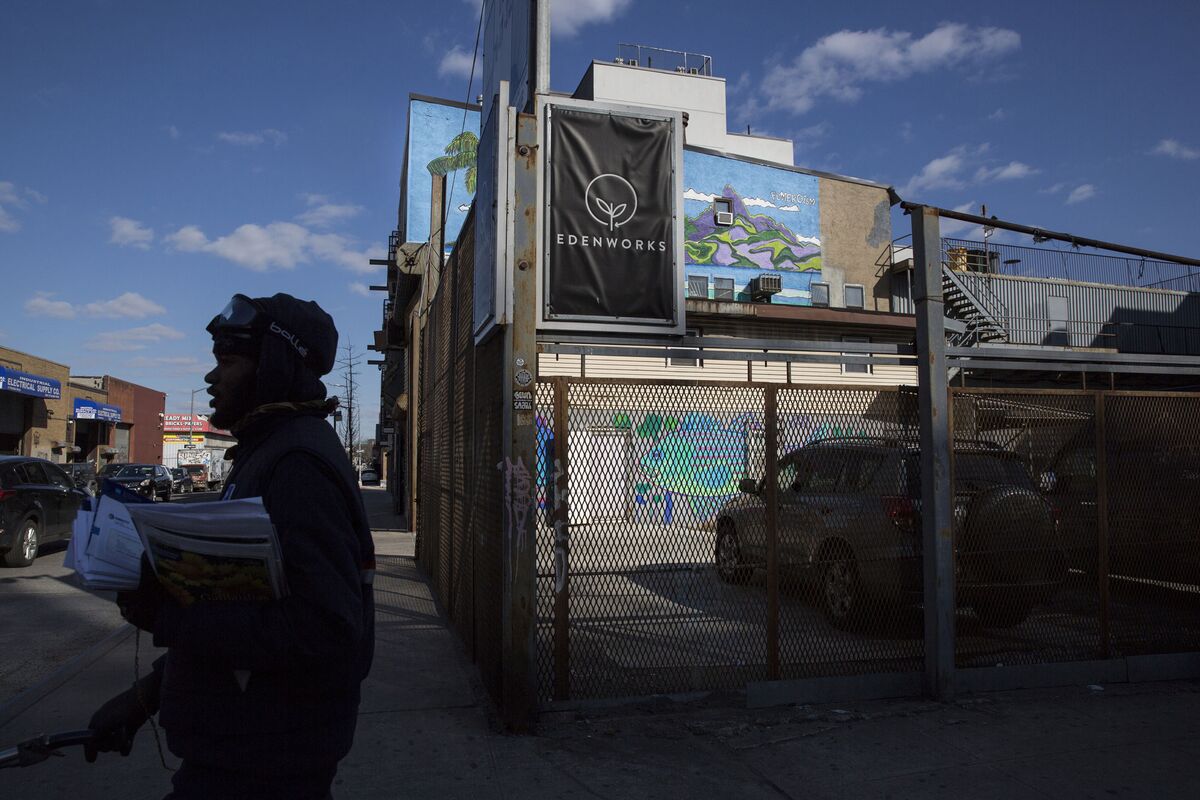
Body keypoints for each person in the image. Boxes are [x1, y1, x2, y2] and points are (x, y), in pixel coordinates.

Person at [84, 293, 376, 800]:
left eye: (228, 361)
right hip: (241, 750)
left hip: (267, 763)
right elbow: (243, 599)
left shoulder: (297, 465)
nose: (211, 377)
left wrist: (168, 615)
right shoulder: (267, 450)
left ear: (275, 367)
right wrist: (146, 696)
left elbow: (323, 629)